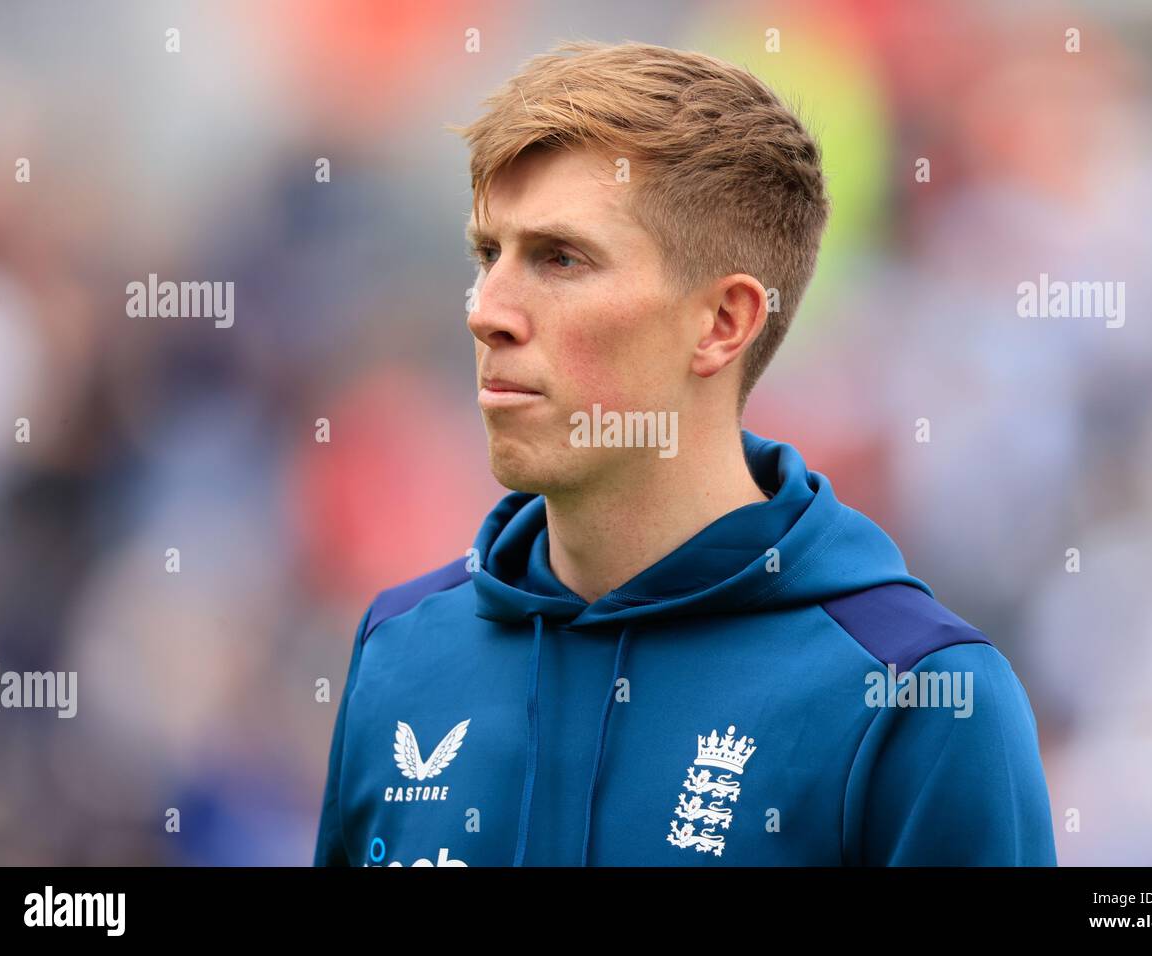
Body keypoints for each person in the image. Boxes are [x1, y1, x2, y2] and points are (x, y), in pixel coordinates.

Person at [313, 39, 1057, 867]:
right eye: (489, 255)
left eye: (559, 259)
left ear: (723, 324)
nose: (486, 310)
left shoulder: (918, 698)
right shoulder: (401, 648)